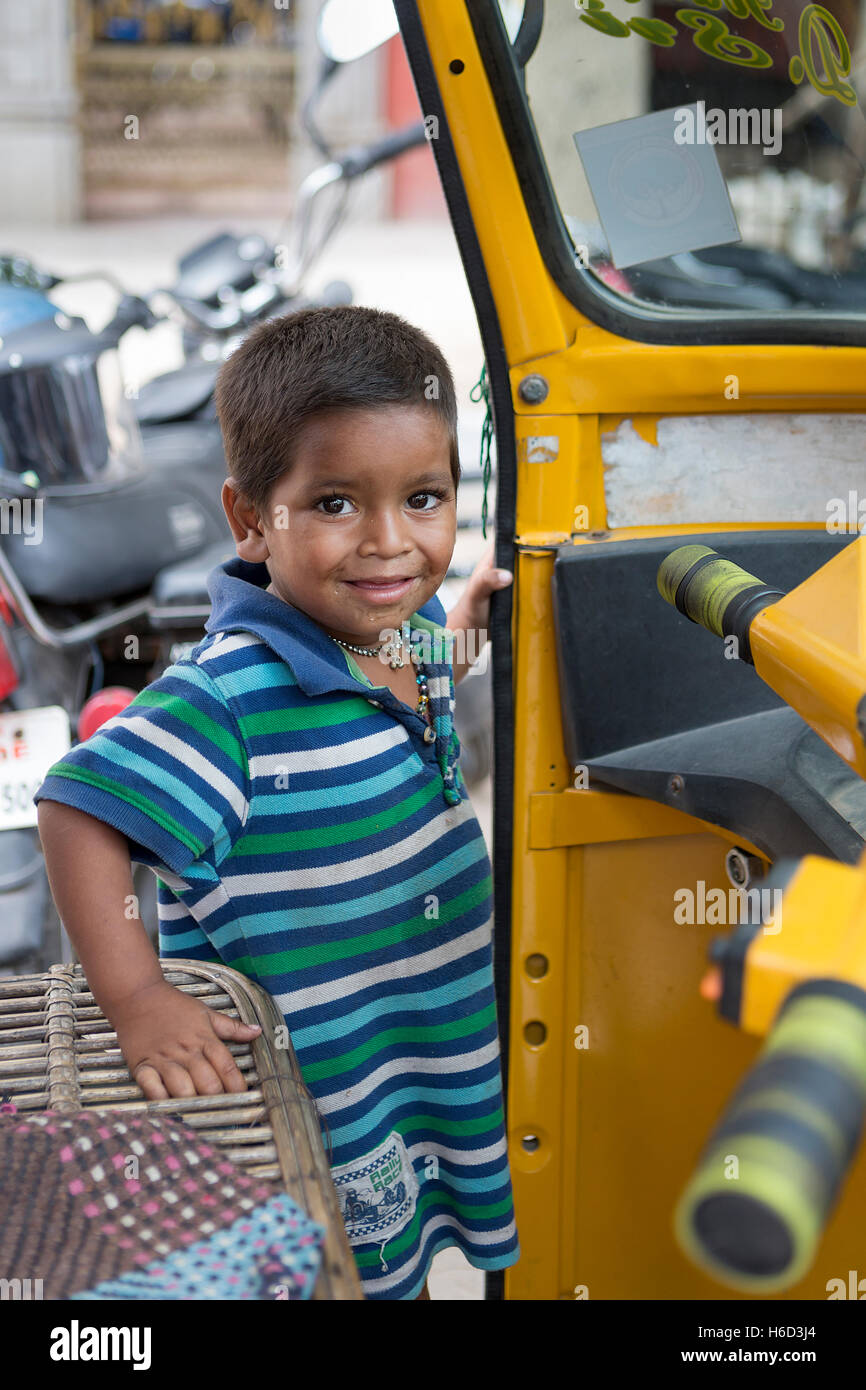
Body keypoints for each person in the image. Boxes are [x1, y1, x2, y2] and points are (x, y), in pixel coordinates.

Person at [35, 304, 519, 1302]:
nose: (390, 544)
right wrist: (137, 999)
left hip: (413, 1054)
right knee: (337, 1273)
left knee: (407, 1265)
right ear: (252, 520)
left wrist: (464, 626)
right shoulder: (233, 697)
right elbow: (78, 807)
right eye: (337, 504)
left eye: (423, 497)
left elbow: (426, 668)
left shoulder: (401, 624)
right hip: (320, 1093)